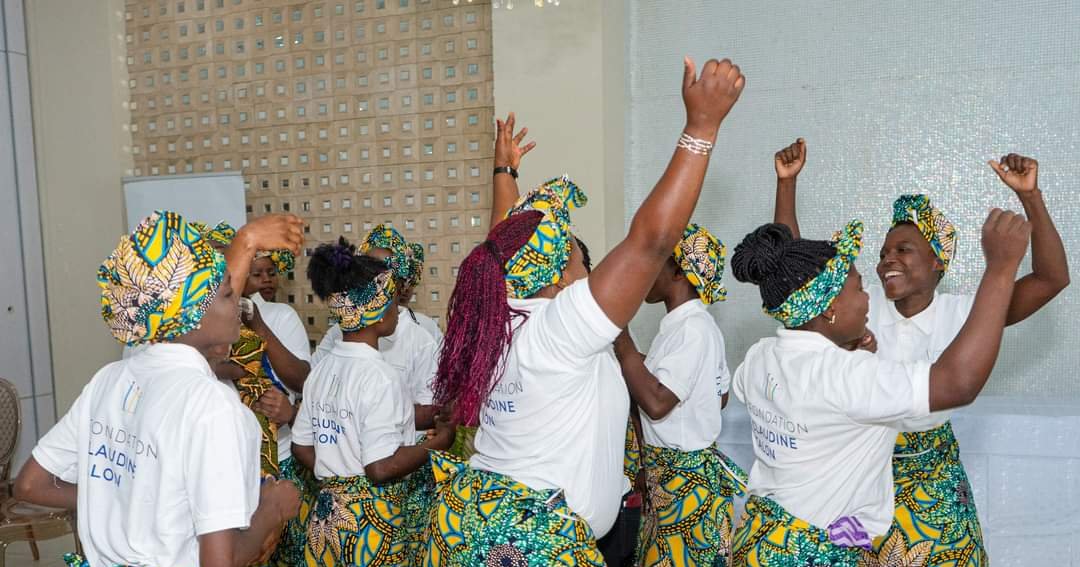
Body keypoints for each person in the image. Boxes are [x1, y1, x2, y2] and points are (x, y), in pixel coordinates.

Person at [424, 57, 746, 565]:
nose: (590, 275)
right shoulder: (558, 329)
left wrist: (504, 172)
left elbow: (500, 243)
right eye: (578, 262)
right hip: (532, 542)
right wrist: (700, 128)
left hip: (472, 522)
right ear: (555, 279)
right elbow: (650, 243)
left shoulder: (492, 314)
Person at [773, 142, 1070, 565]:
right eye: (882, 254)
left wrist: (1030, 197)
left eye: (902, 250)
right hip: (864, 467)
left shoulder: (968, 314)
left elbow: (1051, 278)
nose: (885, 261)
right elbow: (795, 282)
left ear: (935, 262)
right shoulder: (861, 306)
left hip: (936, 473)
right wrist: (787, 186)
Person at [727, 206, 1031, 566]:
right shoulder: (847, 376)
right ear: (829, 309)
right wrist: (1000, 268)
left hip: (761, 537)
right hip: (810, 551)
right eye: (858, 289)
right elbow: (957, 384)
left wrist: (847, 348)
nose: (868, 297)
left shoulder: (759, 358)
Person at [14, 211, 304, 567]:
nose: (238, 307)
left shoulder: (109, 379)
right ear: (192, 313)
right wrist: (272, 510)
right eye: (229, 294)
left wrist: (127, 499)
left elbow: (30, 483)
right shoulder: (211, 404)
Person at [293, 239, 455, 567]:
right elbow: (380, 468)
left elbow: (301, 445)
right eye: (394, 302)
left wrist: (337, 476)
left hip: (326, 516)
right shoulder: (380, 376)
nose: (399, 310)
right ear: (378, 313)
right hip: (371, 525)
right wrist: (437, 445)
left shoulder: (322, 370)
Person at [614, 223, 746, 567]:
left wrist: (620, 336)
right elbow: (719, 396)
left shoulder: (693, 330)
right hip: (673, 480)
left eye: (656, 260)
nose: (646, 271)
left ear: (678, 272)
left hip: (686, 488)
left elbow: (657, 402)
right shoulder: (685, 327)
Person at [313, 226, 441, 433]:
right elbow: (315, 387)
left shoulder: (421, 339)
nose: (378, 279)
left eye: (388, 274)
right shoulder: (339, 333)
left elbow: (430, 409)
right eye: (371, 269)